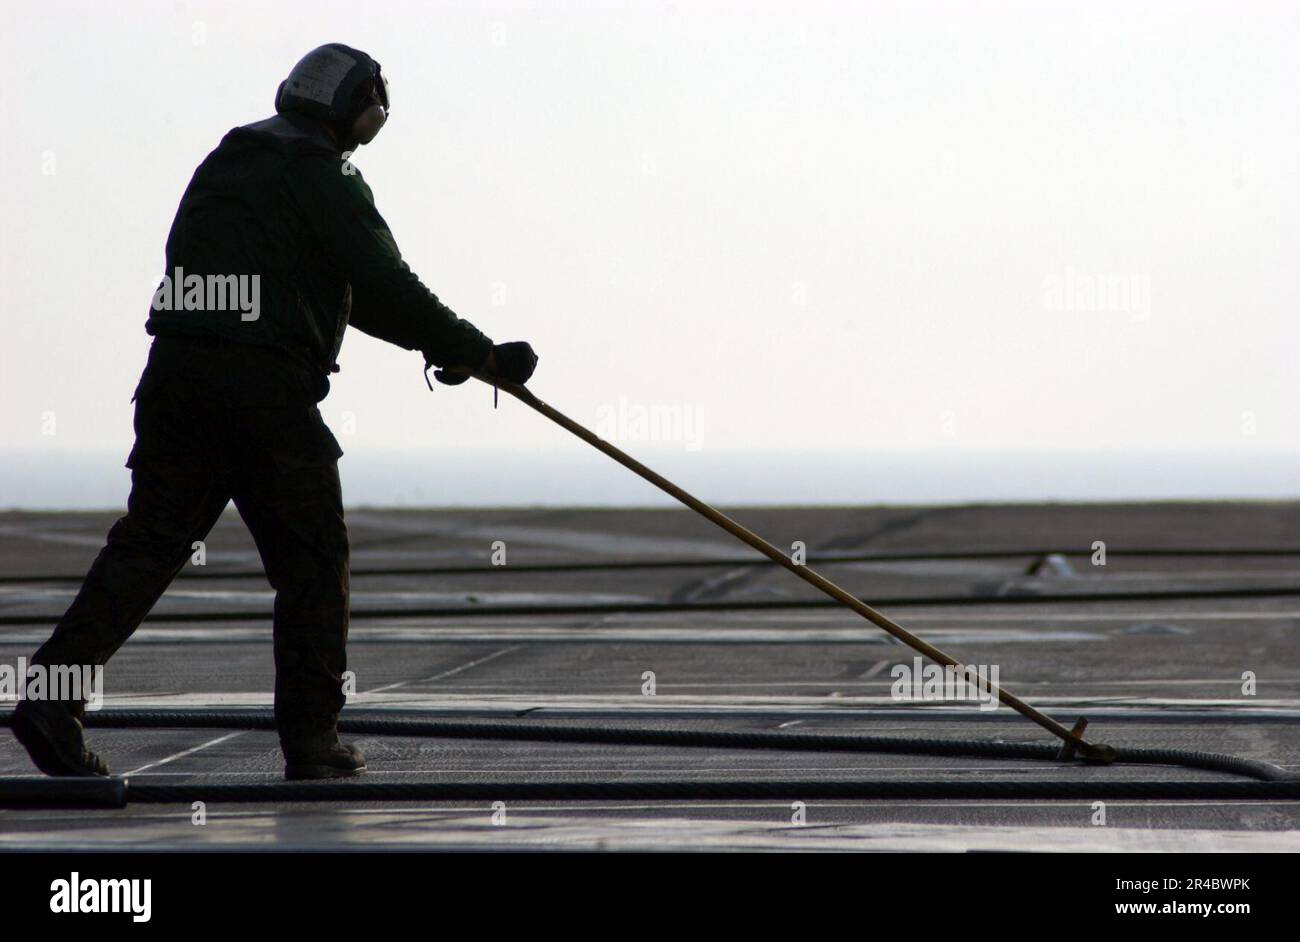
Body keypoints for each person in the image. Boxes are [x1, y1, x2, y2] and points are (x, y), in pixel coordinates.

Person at [11, 43, 537, 781]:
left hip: (174, 382)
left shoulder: (227, 160)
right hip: (265, 399)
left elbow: (310, 284)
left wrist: (448, 349)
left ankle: (50, 696)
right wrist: (483, 353)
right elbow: (384, 287)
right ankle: (312, 740)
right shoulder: (325, 177)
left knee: (147, 547)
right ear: (362, 113)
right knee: (313, 563)